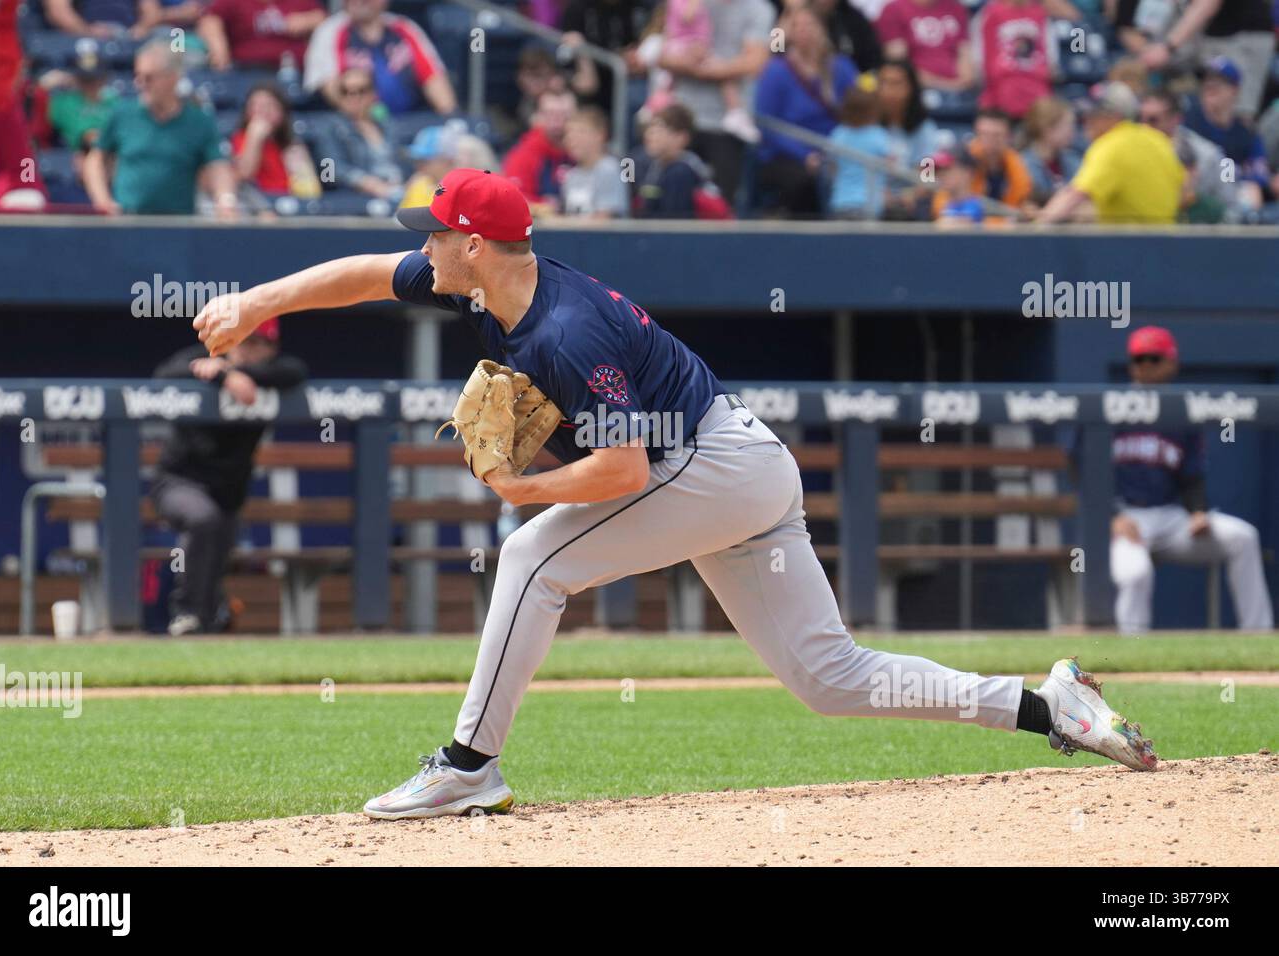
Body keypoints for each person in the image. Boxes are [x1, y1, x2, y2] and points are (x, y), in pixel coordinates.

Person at [192, 166, 1159, 820]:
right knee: (830, 679)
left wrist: (519, 483)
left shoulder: (566, 333)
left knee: (532, 558)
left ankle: (467, 768)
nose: (424, 249)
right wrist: (257, 301)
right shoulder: (489, 281)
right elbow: (364, 274)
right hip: (735, 467)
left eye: (435, 235)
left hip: (711, 467)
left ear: (474, 246)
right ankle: (1049, 707)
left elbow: (623, 474)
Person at [1109, 326, 1273, 633]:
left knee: (1243, 537)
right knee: (1135, 573)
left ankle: (1258, 637)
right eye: (1138, 358)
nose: (1145, 365)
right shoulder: (1112, 406)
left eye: (1153, 358)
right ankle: (1133, 656)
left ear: (1171, 362)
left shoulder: (1182, 411)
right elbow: (1083, 470)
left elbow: (1192, 474)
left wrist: (1198, 510)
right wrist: (1111, 516)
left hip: (1171, 518)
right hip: (1125, 518)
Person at [152, 318, 307, 636]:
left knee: (219, 549)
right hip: (178, 481)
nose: (253, 351)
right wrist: (221, 372)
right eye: (246, 342)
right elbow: (163, 374)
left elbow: (295, 371)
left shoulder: (274, 372)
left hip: (228, 491)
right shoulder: (202, 356)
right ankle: (186, 613)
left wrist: (232, 374)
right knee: (202, 520)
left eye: (261, 345)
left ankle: (205, 622)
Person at [83, 42, 239, 217]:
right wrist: (102, 200)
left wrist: (226, 201)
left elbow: (217, 165)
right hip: (128, 220)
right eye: (137, 76)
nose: (140, 83)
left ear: (173, 78)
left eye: (149, 77)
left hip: (178, 223)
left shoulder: (199, 121)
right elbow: (95, 159)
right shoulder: (123, 114)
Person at [659, 0, 777, 202]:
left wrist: (713, 69)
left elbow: (756, 62)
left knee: (722, 203)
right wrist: (695, 64)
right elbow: (664, 56)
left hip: (726, 126)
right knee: (672, 198)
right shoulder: (690, 3)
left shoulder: (759, 9)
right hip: (682, 121)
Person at [753, 6, 859, 216]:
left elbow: (857, 110)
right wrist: (805, 156)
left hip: (836, 150)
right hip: (786, 155)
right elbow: (767, 124)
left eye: (809, 25)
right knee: (806, 181)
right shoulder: (776, 70)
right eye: (796, 26)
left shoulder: (842, 67)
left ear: (822, 29)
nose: (803, 31)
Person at [1037, 81, 1185, 223]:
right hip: (1167, 243)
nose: (1086, 122)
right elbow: (1180, 192)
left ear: (1114, 116)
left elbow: (1073, 197)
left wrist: (1034, 231)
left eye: (1093, 115)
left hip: (1130, 245)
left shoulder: (1111, 144)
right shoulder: (1160, 141)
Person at [303, 0, 456, 115]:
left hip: (410, 123)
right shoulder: (330, 31)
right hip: (355, 130)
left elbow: (435, 81)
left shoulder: (404, 28)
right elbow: (332, 91)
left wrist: (450, 119)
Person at [1130, 0, 1274, 120]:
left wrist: (1168, 47)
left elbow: (1208, 3)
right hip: (1214, 36)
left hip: (1243, 36)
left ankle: (1240, 153)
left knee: (1235, 111)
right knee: (1209, 108)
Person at [0, 0, 47, 211]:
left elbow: (27, 155)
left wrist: (28, 180)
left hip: (15, 174)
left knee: (28, 190)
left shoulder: (29, 97)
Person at [1140, 88, 1247, 222]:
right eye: (1140, 119)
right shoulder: (1130, 150)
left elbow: (1231, 206)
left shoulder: (1211, 154)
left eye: (1153, 120)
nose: (1144, 127)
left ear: (1175, 119)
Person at [1182, 57, 1275, 207]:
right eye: (1206, 82)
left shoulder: (1245, 134)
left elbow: (1256, 182)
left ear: (1234, 89)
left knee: (1251, 192)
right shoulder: (1187, 125)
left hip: (1233, 201)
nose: (1209, 85)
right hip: (1195, 198)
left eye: (1218, 82)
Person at [312, 66, 411, 201]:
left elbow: (406, 162)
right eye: (346, 91)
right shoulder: (328, 127)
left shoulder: (388, 124)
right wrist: (365, 182)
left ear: (374, 94)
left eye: (362, 90)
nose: (354, 97)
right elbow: (328, 173)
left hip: (400, 190)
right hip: (358, 198)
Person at [231, 82, 320, 205]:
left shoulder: (292, 145)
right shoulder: (240, 138)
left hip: (290, 202)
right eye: (256, 106)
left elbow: (310, 190)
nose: (263, 111)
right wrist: (255, 138)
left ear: (282, 112)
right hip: (259, 204)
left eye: (269, 105)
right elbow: (244, 174)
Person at [876, 57, 941, 217]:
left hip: (910, 204)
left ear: (910, 88)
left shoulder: (925, 130)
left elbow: (928, 176)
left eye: (896, 84)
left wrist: (910, 195)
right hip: (874, 200)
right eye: (883, 83)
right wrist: (878, 194)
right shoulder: (868, 126)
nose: (888, 90)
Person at [972, 0, 1057, 119]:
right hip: (999, 94)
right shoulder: (988, 14)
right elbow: (979, 65)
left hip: (1037, 93)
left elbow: (1052, 64)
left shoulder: (1042, 15)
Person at [634, 102, 721, 217]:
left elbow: (673, 227)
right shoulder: (651, 165)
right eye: (650, 130)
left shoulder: (680, 172)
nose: (650, 136)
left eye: (659, 131)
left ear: (681, 138)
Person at [875, 0, 975, 92]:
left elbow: (965, 53)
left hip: (960, 89)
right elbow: (899, 64)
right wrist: (944, 85)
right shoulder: (894, 10)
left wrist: (963, 82)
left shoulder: (956, 8)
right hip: (917, 89)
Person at [198, 0, 325, 72]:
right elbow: (210, 20)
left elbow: (325, 19)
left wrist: (310, 20)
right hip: (246, 69)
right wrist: (218, 47)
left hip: (293, 70)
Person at [502, 88, 576, 210]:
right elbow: (515, 198)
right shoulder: (524, 154)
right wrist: (542, 206)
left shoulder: (586, 153)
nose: (557, 120)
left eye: (564, 114)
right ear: (537, 116)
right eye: (550, 114)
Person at [827, 83, 892, 219]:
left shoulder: (838, 134)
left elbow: (831, 168)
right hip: (870, 204)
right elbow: (890, 166)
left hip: (841, 202)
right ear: (873, 111)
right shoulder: (878, 135)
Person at [560, 106, 631, 217]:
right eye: (568, 133)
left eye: (581, 132)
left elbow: (604, 221)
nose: (572, 139)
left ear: (600, 135)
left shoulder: (609, 169)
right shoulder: (571, 176)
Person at [967, 108, 1033, 209]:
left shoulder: (1018, 163)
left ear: (1008, 137)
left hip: (1008, 220)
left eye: (996, 135)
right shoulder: (963, 163)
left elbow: (1022, 199)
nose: (989, 141)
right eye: (984, 134)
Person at [1019, 95, 1081, 203]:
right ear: (1047, 129)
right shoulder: (1023, 164)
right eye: (1066, 125)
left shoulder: (1073, 160)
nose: (1071, 132)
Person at [932, 145, 986, 224]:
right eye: (938, 171)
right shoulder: (944, 205)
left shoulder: (974, 205)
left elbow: (963, 222)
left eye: (947, 169)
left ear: (967, 173)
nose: (940, 175)